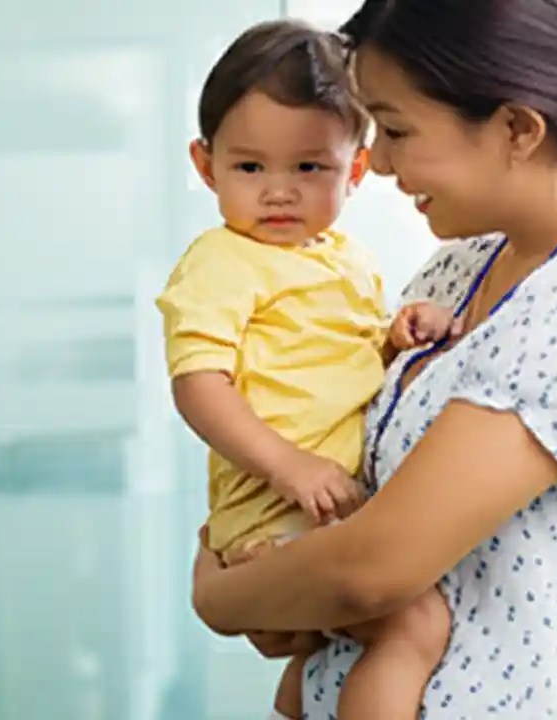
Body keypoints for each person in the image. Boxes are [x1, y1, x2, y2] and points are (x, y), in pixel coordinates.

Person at [190, 1, 557, 718]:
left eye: (398, 130)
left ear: (516, 128)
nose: (377, 163)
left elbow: (371, 568)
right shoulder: (459, 271)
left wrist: (218, 595)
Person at [157, 20, 454, 720]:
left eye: (309, 168)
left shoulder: (349, 260)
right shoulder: (221, 260)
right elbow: (198, 384)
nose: (279, 192)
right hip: (277, 514)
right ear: (206, 167)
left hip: (323, 509)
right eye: (250, 168)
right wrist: (289, 466)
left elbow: (339, 370)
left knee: (325, 655)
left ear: (355, 170)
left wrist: (396, 339)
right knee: (415, 626)